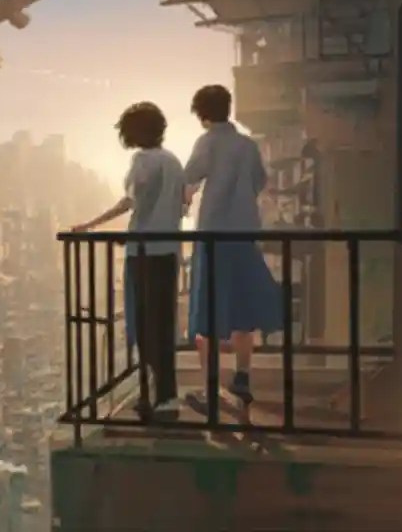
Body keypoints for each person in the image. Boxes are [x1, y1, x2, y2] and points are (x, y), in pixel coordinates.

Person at [71, 102, 186, 421]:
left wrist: (92, 226)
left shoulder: (143, 161)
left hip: (144, 253)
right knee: (163, 324)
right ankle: (166, 395)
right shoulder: (173, 161)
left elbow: (134, 203)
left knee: (143, 325)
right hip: (168, 251)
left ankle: (157, 396)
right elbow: (179, 202)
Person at [184, 84, 282, 406]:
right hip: (243, 234)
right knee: (242, 312)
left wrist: (185, 202)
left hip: (213, 236)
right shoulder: (247, 145)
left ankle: (210, 387)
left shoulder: (207, 142)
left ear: (202, 114)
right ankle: (242, 378)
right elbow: (259, 182)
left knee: (205, 315)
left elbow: (190, 178)